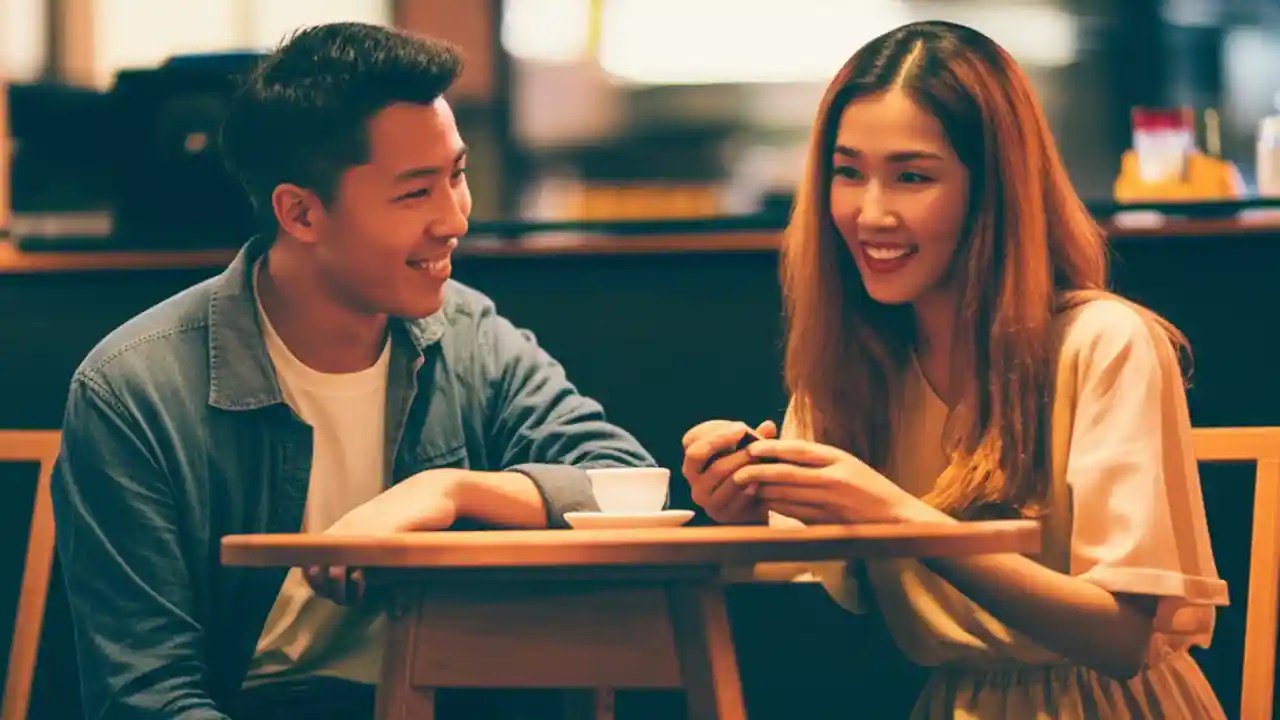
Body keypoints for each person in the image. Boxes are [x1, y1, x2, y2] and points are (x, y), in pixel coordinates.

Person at [51, 23, 655, 720]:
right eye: (414, 193)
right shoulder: (135, 391)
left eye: (456, 176)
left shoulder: (467, 337)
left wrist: (451, 491)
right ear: (301, 212)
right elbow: (146, 696)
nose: (455, 218)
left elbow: (624, 486)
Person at [682, 20, 1228, 718]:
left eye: (912, 177)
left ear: (991, 190)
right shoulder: (849, 368)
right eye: (847, 173)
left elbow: (1121, 638)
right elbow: (795, 583)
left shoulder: (1104, 342)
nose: (869, 213)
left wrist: (894, 517)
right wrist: (740, 515)